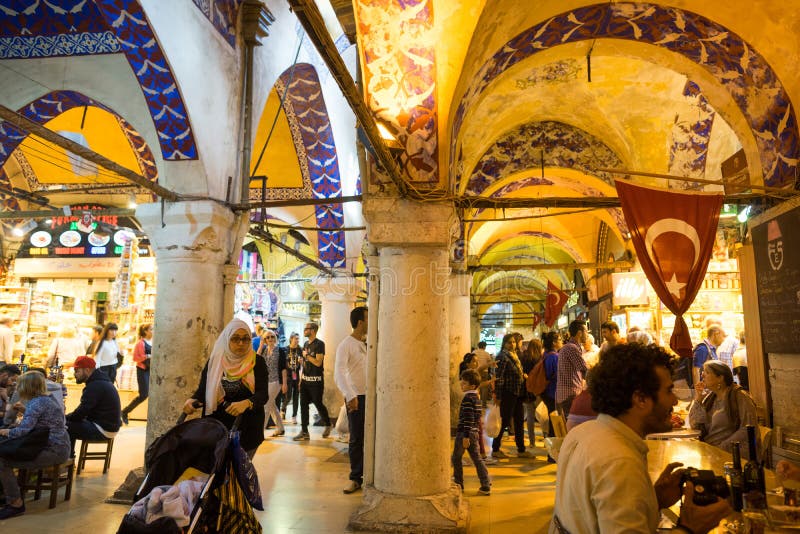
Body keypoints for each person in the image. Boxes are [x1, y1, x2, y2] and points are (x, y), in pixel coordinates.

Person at [550, 343, 731, 534]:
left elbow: (593, 515)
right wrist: (689, 528)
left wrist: (652, 500)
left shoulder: (583, 432)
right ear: (641, 399)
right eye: (668, 391)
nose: (674, 400)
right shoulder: (620, 462)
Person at [183, 319, 268, 458]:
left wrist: (247, 403)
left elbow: (263, 394)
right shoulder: (215, 361)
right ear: (227, 339)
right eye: (235, 338)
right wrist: (193, 399)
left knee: (239, 469)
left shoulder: (257, 362)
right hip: (216, 428)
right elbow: (203, 389)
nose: (241, 343)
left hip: (247, 428)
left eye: (246, 339)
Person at [0, 371, 71, 520]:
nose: (17, 388)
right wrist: (25, 411)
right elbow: (43, 419)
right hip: (59, 446)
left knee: (2, 461)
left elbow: (23, 430)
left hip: (52, 450)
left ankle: (15, 503)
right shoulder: (46, 399)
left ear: (28, 387)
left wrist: (4, 431)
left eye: (20, 385)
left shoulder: (37, 403)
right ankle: (8, 494)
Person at [688, 360, 759, 458]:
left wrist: (720, 449)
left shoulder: (739, 396)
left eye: (707, 372)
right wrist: (698, 399)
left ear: (720, 378)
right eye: (703, 372)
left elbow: (748, 429)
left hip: (732, 455)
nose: (702, 375)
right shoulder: (710, 398)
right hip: (711, 451)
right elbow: (695, 426)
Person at [333, 306, 368, 494]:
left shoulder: (368, 343)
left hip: (373, 396)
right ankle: (355, 477)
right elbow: (339, 373)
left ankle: (371, 474)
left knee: (372, 437)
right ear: (360, 322)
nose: (371, 321)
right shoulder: (345, 345)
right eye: (368, 318)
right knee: (356, 438)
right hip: (357, 397)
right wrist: (350, 395)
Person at [65, 356, 121, 456]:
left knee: (65, 426)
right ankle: (69, 457)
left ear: (87, 370)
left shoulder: (95, 385)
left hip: (103, 429)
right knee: (68, 422)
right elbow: (83, 412)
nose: (74, 374)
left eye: (77, 371)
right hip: (108, 426)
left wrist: (64, 418)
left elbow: (81, 412)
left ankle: (68, 459)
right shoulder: (100, 381)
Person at [452, 369, 491, 496]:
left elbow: (468, 419)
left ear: (472, 386)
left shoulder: (468, 398)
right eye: (461, 382)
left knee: (456, 458)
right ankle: (485, 484)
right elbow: (476, 418)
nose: (461, 384)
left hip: (465, 433)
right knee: (477, 459)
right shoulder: (476, 397)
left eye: (464, 383)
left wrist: (466, 436)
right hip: (474, 432)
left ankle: (458, 482)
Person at [491, 333, 531, 459]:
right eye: (509, 342)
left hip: (517, 393)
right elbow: (499, 378)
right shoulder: (502, 356)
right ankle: (495, 449)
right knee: (504, 421)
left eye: (513, 342)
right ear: (504, 343)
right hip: (508, 393)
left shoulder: (515, 355)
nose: (512, 344)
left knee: (519, 421)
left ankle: (521, 450)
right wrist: (498, 396)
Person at [293, 322, 332, 441]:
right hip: (305, 381)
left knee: (318, 403)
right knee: (303, 406)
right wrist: (301, 379)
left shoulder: (320, 344)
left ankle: (328, 424)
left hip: (316, 381)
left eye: (307, 328)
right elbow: (305, 364)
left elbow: (318, 362)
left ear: (313, 330)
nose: (304, 330)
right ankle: (304, 431)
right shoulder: (305, 344)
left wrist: (307, 356)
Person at [121, 324, 153, 424]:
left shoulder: (153, 342)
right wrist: (148, 356)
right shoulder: (140, 343)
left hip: (151, 370)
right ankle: (125, 411)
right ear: (145, 331)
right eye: (151, 329)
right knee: (144, 394)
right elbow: (135, 358)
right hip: (142, 370)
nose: (153, 331)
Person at [555, 320, 588, 418]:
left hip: (567, 395)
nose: (587, 334)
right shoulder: (571, 348)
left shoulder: (569, 347)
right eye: (586, 331)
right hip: (570, 395)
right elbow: (584, 369)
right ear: (579, 333)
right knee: (574, 424)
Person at [258, 329, 287, 437]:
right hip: (266, 381)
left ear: (275, 338)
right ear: (265, 340)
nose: (270, 339)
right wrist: (261, 345)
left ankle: (259, 432)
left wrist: (284, 383)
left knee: (266, 405)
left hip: (276, 381)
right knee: (272, 406)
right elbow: (257, 358)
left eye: (272, 336)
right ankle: (280, 428)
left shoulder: (280, 351)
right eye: (268, 337)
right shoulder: (264, 350)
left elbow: (283, 368)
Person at [521, 338, 543, 448]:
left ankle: (532, 441)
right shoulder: (541, 359)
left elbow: (522, 372)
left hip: (528, 389)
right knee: (542, 415)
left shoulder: (525, 358)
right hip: (539, 390)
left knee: (530, 416)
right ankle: (546, 437)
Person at [539, 332, 561, 438]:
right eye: (559, 339)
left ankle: (549, 439)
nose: (561, 341)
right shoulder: (555, 356)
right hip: (553, 391)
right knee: (554, 419)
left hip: (546, 390)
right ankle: (553, 441)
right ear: (554, 342)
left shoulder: (545, 354)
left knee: (551, 416)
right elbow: (558, 374)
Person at [283, 332, 302, 424]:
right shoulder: (285, 349)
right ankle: (283, 409)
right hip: (288, 376)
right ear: (291, 339)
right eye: (296, 339)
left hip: (297, 375)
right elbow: (283, 364)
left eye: (298, 339)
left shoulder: (300, 349)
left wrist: (302, 362)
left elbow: (303, 365)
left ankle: (294, 416)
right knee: (288, 396)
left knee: (296, 396)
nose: (297, 340)